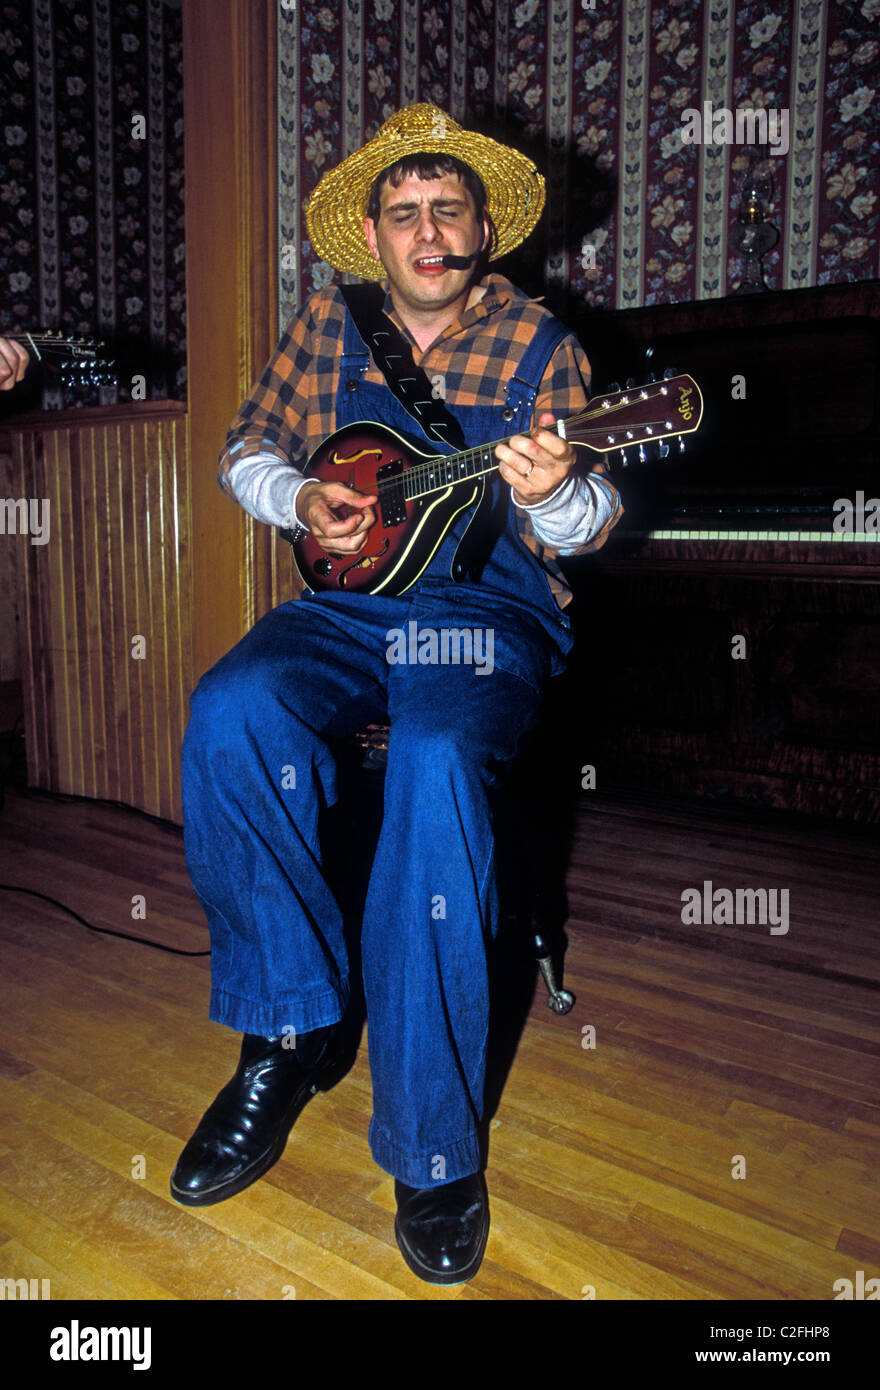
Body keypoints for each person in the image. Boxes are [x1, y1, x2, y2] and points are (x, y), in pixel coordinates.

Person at [171, 104, 622, 1285]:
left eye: (449, 210)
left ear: (484, 230)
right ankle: (289, 1024)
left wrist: (556, 487)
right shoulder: (330, 321)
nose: (428, 230)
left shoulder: (538, 343)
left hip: (483, 617)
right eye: (405, 212)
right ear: (373, 234)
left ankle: (429, 1143)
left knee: (428, 760)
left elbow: (590, 524)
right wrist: (298, 502)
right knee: (232, 707)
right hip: (348, 604)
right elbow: (246, 448)